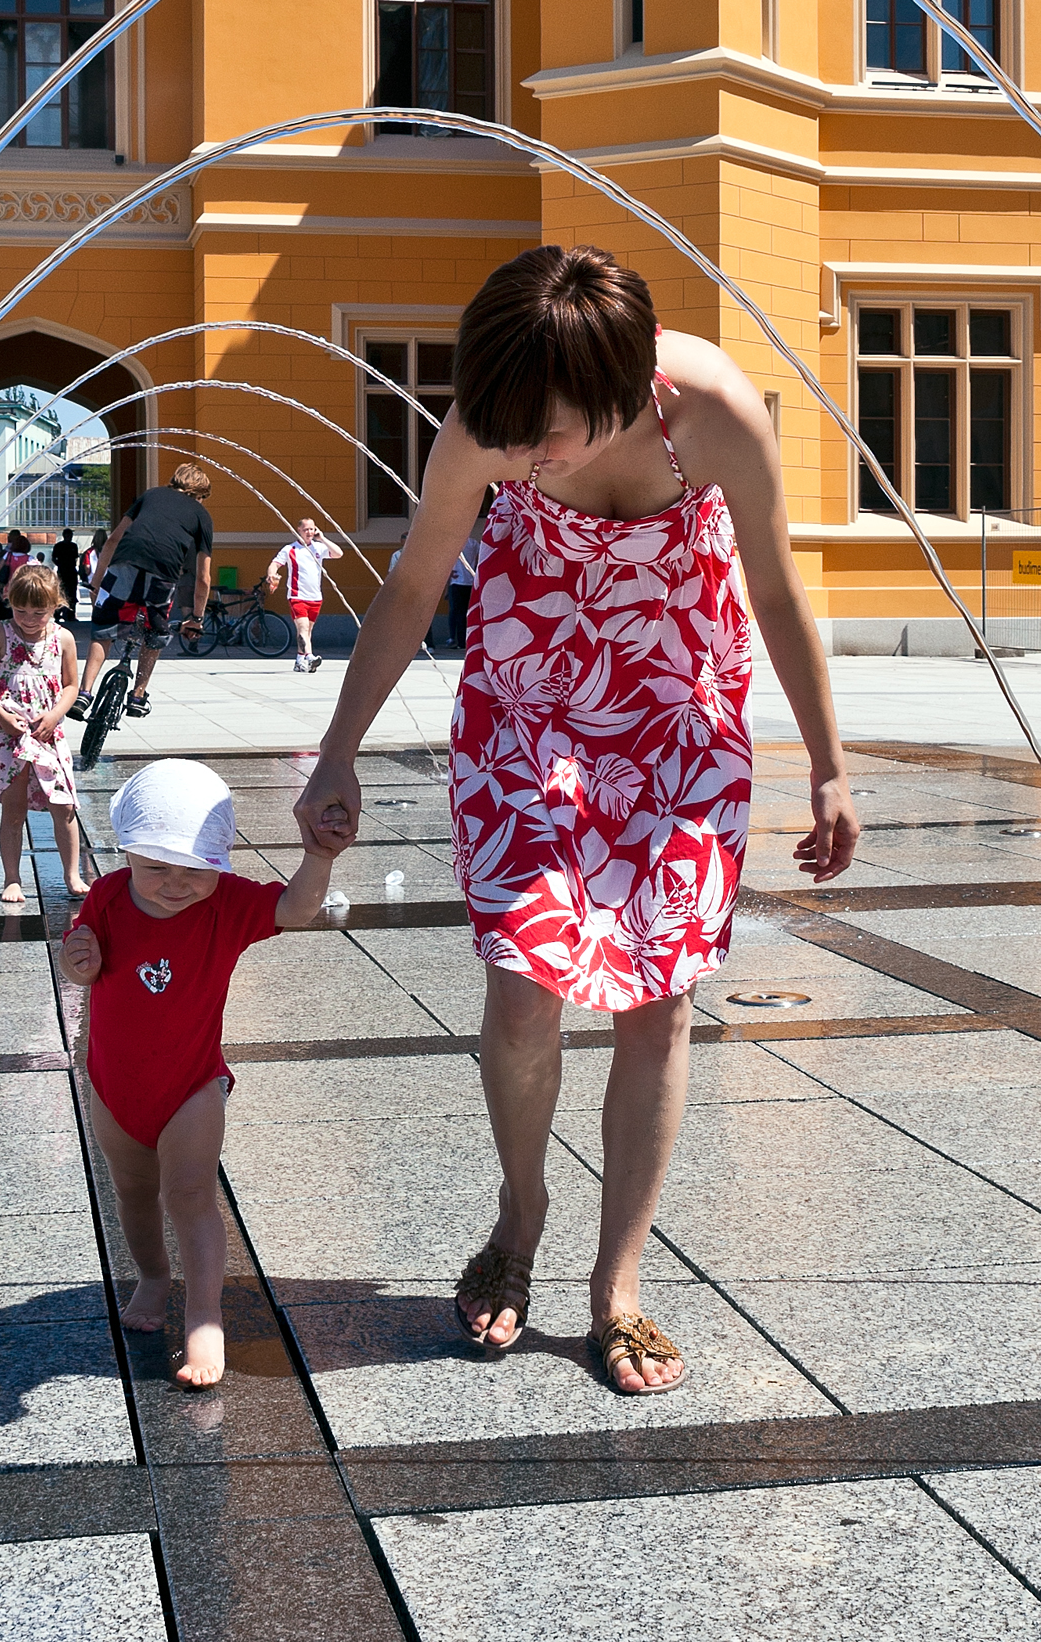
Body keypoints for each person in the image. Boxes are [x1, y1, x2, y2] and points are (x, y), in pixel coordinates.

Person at [298, 244, 859, 1400]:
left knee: (658, 1006)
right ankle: (521, 1207)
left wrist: (830, 766)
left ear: (622, 387)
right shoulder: (489, 421)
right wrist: (338, 746)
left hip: (675, 731)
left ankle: (618, 1283)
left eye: (544, 433)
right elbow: (412, 586)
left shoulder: (713, 412)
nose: (523, 453)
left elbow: (775, 586)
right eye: (507, 431)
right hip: (529, 720)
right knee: (521, 986)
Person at [62, 759, 332, 1385]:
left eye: (195, 868)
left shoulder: (228, 905)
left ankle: (205, 1320)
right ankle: (154, 1276)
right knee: (132, 1193)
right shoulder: (105, 897)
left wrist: (317, 858)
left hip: (192, 1085)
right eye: (156, 866)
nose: (176, 883)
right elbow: (85, 968)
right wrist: (81, 958)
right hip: (114, 1083)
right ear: (125, 852)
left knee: (190, 1196)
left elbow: (294, 908)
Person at [0, 560, 86, 902]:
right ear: (9, 601)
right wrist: (1, 716)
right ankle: (12, 878)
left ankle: (72, 874)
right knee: (14, 807)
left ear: (56, 605)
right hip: (10, 734)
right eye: (20, 610)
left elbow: (71, 685)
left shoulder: (63, 638)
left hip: (48, 734)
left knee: (63, 805)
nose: (28, 618)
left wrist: (55, 715)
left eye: (38, 612)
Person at [83, 472, 214, 713]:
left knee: (103, 629)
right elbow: (204, 578)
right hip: (163, 575)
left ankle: (84, 693)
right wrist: (196, 618)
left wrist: (97, 584)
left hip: (124, 563)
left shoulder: (151, 495)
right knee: (155, 633)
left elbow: (112, 540)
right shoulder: (201, 515)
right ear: (200, 494)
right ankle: (137, 695)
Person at [268, 515, 342, 674]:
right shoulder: (290, 549)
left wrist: (322, 538)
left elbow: (338, 553)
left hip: (315, 597)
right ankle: (309, 656)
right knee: (302, 627)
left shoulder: (318, 547)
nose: (309, 532)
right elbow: (275, 564)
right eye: (306, 529)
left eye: (312, 529)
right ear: (299, 530)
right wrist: (272, 576)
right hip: (297, 596)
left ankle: (299, 661)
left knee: (307, 631)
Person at [444, 498, 489, 654]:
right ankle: (459, 639)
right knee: (462, 612)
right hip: (463, 580)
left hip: (462, 581)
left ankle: (457, 638)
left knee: (457, 612)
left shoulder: (462, 543)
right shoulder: (472, 543)